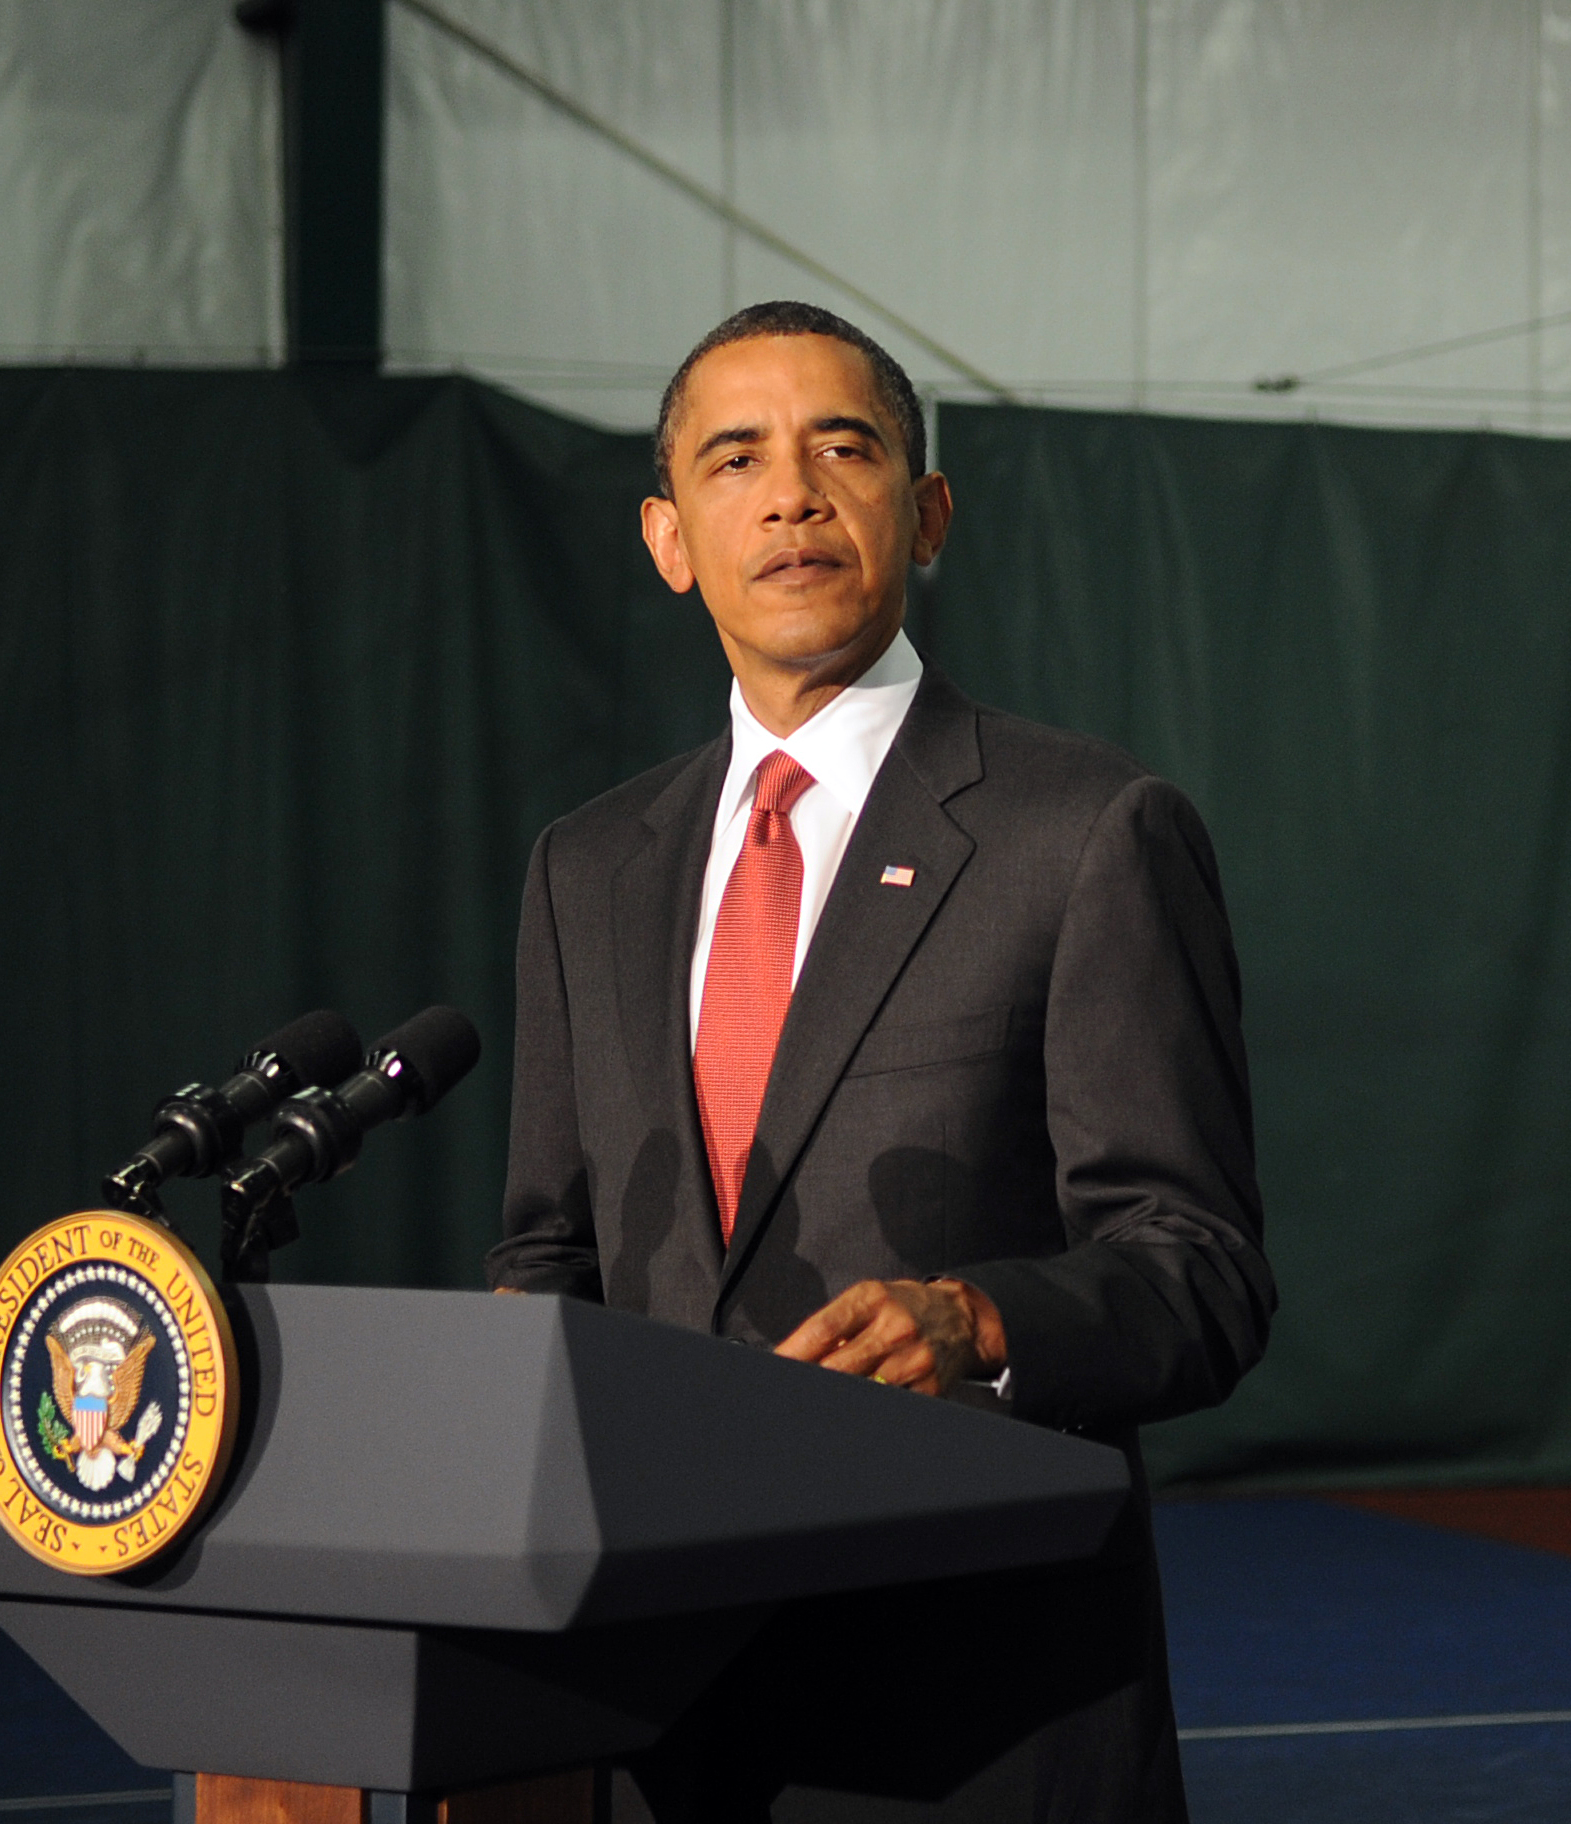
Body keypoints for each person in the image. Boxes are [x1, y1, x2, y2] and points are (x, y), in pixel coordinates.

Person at [486, 300, 1275, 1823]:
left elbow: (1200, 1268)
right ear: (669, 537)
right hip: (656, 1704)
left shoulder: (1085, 831)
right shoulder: (588, 867)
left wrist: (981, 1318)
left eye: (840, 447)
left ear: (926, 517)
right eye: (734, 459)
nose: (789, 493)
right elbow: (551, 1242)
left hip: (971, 1711)